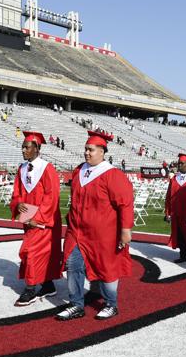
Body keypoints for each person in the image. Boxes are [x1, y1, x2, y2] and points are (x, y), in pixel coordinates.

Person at [57, 131, 134, 321]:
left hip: (103, 234)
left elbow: (125, 203)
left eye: (91, 150)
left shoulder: (112, 175)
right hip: (77, 232)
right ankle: (76, 304)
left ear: (102, 151)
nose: (87, 153)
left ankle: (111, 304)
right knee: (73, 265)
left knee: (107, 269)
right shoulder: (79, 171)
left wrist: (125, 230)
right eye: (85, 149)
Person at [10, 132, 63, 306]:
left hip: (43, 221)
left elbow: (52, 196)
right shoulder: (21, 168)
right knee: (41, 255)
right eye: (23, 147)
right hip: (28, 218)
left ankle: (30, 289)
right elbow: (17, 192)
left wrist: (39, 218)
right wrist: (17, 205)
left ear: (37, 148)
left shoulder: (47, 168)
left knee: (30, 252)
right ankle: (48, 285)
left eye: (27, 147)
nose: (23, 150)